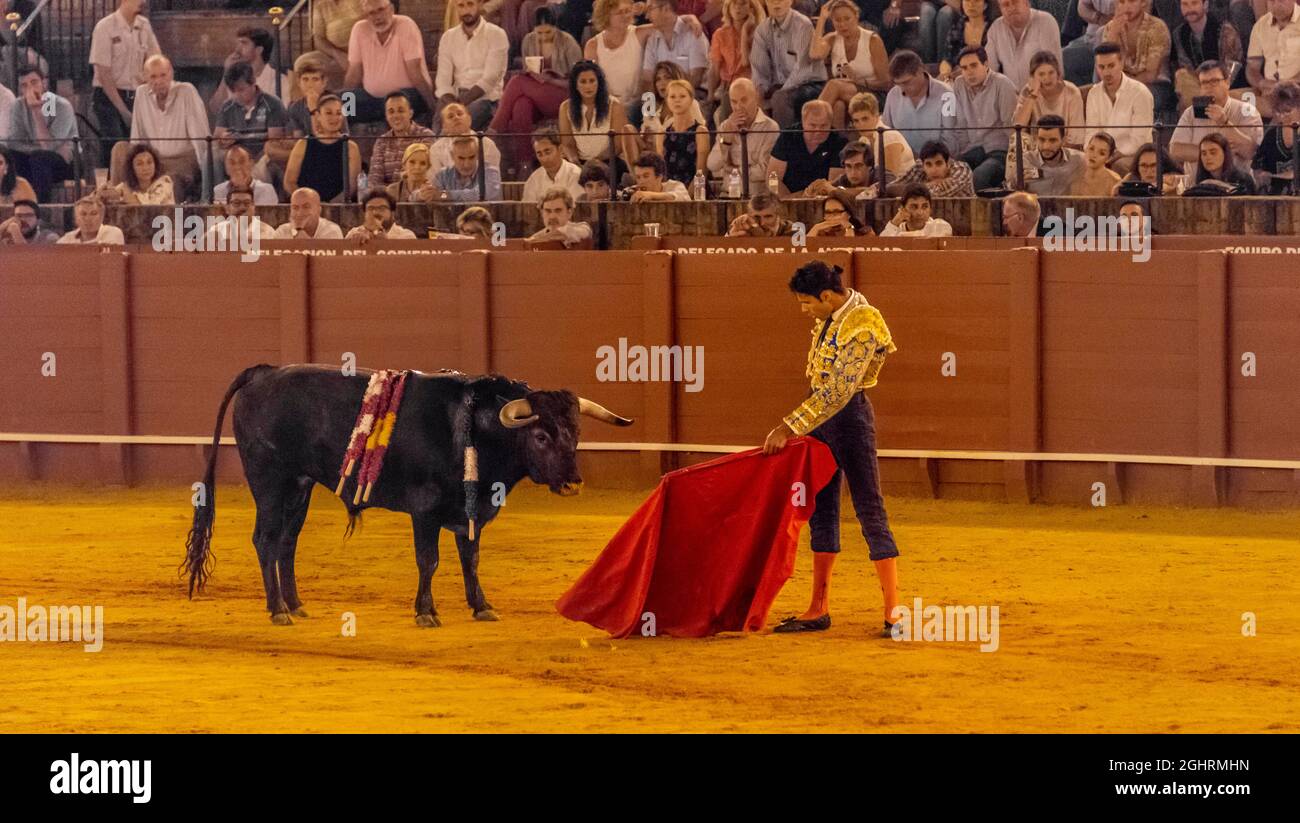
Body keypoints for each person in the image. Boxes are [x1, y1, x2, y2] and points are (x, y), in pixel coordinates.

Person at [762, 259, 900, 636]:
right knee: (821, 512)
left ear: (826, 296)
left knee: (869, 508)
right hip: (820, 420)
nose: (805, 310)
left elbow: (840, 391)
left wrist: (788, 426)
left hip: (850, 419)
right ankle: (817, 608)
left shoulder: (863, 321)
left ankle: (894, 612)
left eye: (807, 303)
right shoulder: (832, 317)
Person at [489, 7, 582, 171]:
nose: (543, 37)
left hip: (562, 95)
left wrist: (552, 79)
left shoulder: (568, 42)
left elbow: (577, 83)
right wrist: (533, 75)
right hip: (537, 93)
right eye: (540, 33)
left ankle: (494, 131)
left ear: (556, 27)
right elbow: (529, 70)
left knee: (517, 81)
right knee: (521, 106)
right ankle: (525, 165)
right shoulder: (529, 41)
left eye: (548, 32)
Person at [89, 0, 160, 166]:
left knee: (138, 147)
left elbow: (155, 59)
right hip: (109, 96)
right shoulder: (105, 27)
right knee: (115, 145)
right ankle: (110, 186)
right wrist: (123, 110)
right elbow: (104, 73)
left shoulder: (144, 26)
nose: (142, 2)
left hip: (137, 93)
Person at [128, 55, 208, 201]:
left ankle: (161, 219)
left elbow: (200, 136)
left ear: (171, 73)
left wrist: (205, 174)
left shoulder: (186, 91)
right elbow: (136, 135)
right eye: (153, 76)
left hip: (182, 160)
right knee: (119, 150)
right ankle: (118, 200)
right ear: (145, 77)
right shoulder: (141, 93)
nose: (158, 81)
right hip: (153, 160)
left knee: (169, 181)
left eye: (163, 75)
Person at [1169, 59, 1265, 177]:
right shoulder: (1191, 112)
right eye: (1204, 83)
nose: (1209, 87)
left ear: (1227, 82)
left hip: (1236, 185)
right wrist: (1218, 152)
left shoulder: (1247, 111)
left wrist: (1224, 122)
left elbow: (1251, 152)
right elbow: (1175, 150)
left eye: (1214, 81)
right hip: (1198, 186)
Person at [345, 0, 436, 123]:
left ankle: (387, 118)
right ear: (365, 16)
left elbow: (415, 71)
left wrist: (432, 106)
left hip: (407, 96)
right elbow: (354, 73)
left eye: (381, 10)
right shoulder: (359, 29)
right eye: (371, 13)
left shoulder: (406, 24)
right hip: (374, 99)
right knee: (344, 104)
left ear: (392, 9)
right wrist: (344, 105)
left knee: (397, 107)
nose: (377, 17)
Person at [813, 0, 891, 131]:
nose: (843, 24)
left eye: (847, 19)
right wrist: (821, 18)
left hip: (875, 95)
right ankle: (838, 145)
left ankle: (810, 127)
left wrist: (858, 80)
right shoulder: (832, 38)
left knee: (834, 84)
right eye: (837, 20)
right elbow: (815, 54)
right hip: (847, 94)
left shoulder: (872, 40)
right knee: (838, 106)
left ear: (856, 16)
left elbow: (885, 83)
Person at [950, 45, 1018, 190]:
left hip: (999, 151)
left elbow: (1011, 126)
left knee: (979, 177)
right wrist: (960, 154)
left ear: (986, 64)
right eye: (964, 68)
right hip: (972, 149)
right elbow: (959, 124)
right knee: (948, 171)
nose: (969, 72)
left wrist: (1016, 161)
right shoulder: (958, 84)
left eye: (973, 66)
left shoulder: (1002, 84)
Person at [6, 65, 78, 202]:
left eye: (34, 82)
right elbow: (14, 142)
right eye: (24, 85)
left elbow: (48, 146)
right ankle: (16, 204)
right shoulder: (18, 105)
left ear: (44, 83)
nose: (30, 89)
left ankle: (42, 209)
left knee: (40, 158)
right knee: (10, 156)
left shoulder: (59, 105)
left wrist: (36, 111)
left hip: (63, 163)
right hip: (32, 158)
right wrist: (33, 150)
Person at [750, 0, 828, 126]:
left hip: (809, 83)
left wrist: (778, 92)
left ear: (790, 1)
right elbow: (759, 69)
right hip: (779, 85)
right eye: (771, 1)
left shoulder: (803, 24)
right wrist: (759, 93)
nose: (776, 4)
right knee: (748, 97)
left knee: (780, 99)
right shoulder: (762, 30)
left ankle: (783, 142)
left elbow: (802, 70)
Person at [437, 0, 510, 131]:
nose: (466, 11)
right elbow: (443, 80)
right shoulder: (448, 37)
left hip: (486, 99)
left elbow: (489, 79)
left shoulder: (496, 34)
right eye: (461, 5)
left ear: (480, 5)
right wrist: (452, 103)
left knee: (457, 127)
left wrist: (459, 105)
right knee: (437, 127)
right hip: (455, 97)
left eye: (470, 4)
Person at [213, 62, 292, 183]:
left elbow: (275, 140)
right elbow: (217, 137)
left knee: (266, 163)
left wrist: (248, 159)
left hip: (262, 153)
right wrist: (223, 140)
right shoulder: (227, 106)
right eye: (233, 91)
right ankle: (213, 196)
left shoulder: (272, 104)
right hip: (235, 152)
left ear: (253, 82)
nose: (236, 95)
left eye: (241, 90)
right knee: (212, 155)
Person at [1085, 42, 1155, 173]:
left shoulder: (1140, 93)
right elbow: (1091, 132)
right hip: (1102, 154)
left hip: (1133, 155)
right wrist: (1096, 154)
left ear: (1121, 63)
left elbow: (1140, 139)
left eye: (1111, 66)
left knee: (1119, 165)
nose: (1106, 72)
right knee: (1078, 163)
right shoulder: (1093, 93)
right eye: (1101, 67)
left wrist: (1112, 155)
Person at [557, 61, 636, 176]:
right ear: (575, 85)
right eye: (583, 82)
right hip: (578, 164)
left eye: (592, 81)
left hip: (609, 162)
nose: (588, 86)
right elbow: (567, 144)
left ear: (599, 83)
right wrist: (576, 164)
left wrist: (596, 164)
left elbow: (617, 146)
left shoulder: (614, 105)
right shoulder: (565, 107)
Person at [284, 94, 362, 203]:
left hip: (339, 207)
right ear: (318, 115)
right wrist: (308, 202)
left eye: (338, 113)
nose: (334, 118)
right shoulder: (303, 144)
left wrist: (331, 205)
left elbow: (352, 186)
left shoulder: (351, 147)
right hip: (306, 206)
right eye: (329, 113)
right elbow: (289, 182)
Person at [1100, 0, 1174, 114]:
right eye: (1122, 2)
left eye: (1132, 1)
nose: (1126, 7)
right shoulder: (1111, 28)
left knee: (1132, 99)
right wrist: (1113, 37)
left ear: (1143, 2)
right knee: (1093, 95)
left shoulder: (1157, 27)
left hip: (1156, 85)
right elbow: (1104, 68)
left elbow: (1150, 75)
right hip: (1118, 84)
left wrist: (1122, 88)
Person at [1171, 0, 1244, 113]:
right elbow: (1186, 67)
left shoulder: (1225, 30)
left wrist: (1212, 82)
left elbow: (1233, 68)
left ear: (1205, 5)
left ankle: (1205, 109)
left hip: (1224, 83)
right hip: (1198, 84)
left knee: (1186, 102)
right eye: (1185, 4)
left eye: (1194, 3)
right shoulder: (1179, 34)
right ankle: (1206, 108)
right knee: (1181, 75)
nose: (1189, 9)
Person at [707, 77, 780, 188]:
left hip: (757, 198)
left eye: (744, 100)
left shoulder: (770, 127)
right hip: (728, 195)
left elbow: (764, 170)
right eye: (734, 102)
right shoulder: (726, 126)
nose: (738, 107)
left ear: (755, 97)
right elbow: (712, 165)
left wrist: (732, 171)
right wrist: (726, 139)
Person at [880, 50, 957, 155]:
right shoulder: (893, 94)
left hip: (936, 163)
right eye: (898, 84)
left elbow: (950, 138)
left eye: (906, 82)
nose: (902, 89)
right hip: (902, 161)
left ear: (920, 71)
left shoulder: (946, 94)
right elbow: (887, 134)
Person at [768, 99, 848, 195]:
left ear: (830, 124)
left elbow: (833, 185)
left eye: (823, 126)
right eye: (813, 125)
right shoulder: (788, 137)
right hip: (788, 198)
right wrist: (787, 201)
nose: (818, 131)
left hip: (822, 199)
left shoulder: (838, 142)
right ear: (803, 122)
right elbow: (772, 177)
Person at [1010, 50, 1086, 149]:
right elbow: (1018, 128)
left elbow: (1076, 138)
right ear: (1033, 77)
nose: (1047, 78)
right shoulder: (1027, 92)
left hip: (1066, 149)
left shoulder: (1072, 92)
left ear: (1058, 73)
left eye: (1051, 73)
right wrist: (1033, 95)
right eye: (1041, 74)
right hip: (1037, 150)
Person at [209, 27, 291, 115]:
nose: (238, 49)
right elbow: (216, 109)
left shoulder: (280, 80)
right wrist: (226, 73)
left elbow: (283, 116)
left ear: (259, 50)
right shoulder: (234, 77)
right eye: (238, 44)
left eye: (244, 43)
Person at [640, 0, 710, 100]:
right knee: (633, 110)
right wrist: (650, 112)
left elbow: (696, 78)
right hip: (663, 97)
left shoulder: (692, 33)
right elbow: (648, 80)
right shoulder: (653, 39)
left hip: (694, 95)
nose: (646, 16)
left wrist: (672, 100)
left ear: (666, 8)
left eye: (650, 9)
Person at [707, 0, 765, 122]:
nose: (738, 8)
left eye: (743, 4)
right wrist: (710, 95)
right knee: (711, 108)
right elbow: (715, 69)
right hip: (727, 85)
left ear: (751, 8)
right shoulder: (720, 34)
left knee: (729, 100)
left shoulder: (759, 33)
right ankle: (720, 139)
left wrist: (744, 32)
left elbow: (745, 62)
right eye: (734, 4)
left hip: (750, 84)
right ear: (728, 7)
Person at [985, 0, 1062, 88]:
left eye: (1015, 2)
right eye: (1006, 5)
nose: (1011, 8)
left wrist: (1031, 97)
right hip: (1011, 96)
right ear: (1000, 9)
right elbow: (989, 72)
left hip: (1043, 94)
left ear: (1027, 3)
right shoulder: (996, 29)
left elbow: (1054, 71)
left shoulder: (1045, 21)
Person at [368, 91, 436, 190]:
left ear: (410, 113)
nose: (396, 116)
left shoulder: (426, 136)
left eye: (400, 111)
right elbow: (374, 180)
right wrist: (392, 194)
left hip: (417, 195)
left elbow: (423, 175)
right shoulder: (381, 141)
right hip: (388, 198)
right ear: (386, 116)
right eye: (391, 112)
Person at [586, 0, 646, 108]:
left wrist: (645, 8)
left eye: (627, 11)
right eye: (619, 12)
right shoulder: (592, 46)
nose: (625, 15)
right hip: (608, 107)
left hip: (639, 106)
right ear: (605, 15)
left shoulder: (639, 34)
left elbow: (667, 23)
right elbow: (591, 83)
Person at [1245, 0, 1300, 120]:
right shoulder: (1261, 25)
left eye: (1281, 0)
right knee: (1230, 99)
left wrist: (1288, 83)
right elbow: (1252, 68)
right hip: (1269, 92)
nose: (1276, 5)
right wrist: (1261, 83)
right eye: (1272, 1)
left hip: (1296, 90)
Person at [653, 78, 711, 186]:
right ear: (667, 100)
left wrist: (687, 197)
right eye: (672, 97)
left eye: (682, 96)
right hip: (670, 192)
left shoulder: (700, 132)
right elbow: (662, 172)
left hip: (695, 190)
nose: (677, 100)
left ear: (691, 99)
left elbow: (701, 172)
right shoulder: (662, 134)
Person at [1007, 114, 1084, 193]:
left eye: (1052, 140)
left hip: (1067, 205)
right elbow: (1009, 190)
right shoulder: (1026, 161)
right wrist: (1016, 183)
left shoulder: (1078, 160)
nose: (1046, 146)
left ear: (1063, 140)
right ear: (1036, 138)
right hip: (1037, 205)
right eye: (1042, 140)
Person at [848, 91, 914, 179]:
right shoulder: (863, 141)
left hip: (903, 189)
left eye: (865, 119)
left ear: (876, 116)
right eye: (856, 121)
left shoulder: (889, 136)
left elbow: (888, 180)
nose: (861, 125)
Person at [430, 102, 505, 176]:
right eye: (450, 116)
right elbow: (436, 181)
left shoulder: (487, 144)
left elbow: (490, 176)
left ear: (469, 119)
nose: (456, 118)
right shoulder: (436, 149)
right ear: (444, 127)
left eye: (459, 114)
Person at [1252, 80, 1300, 192]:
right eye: (1278, 112)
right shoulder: (1271, 136)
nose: (1282, 116)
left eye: (1287, 111)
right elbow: (1257, 166)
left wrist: (1275, 177)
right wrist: (1261, 175)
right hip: (1275, 198)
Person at [889, 139, 976, 197]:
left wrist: (914, 187)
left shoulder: (962, 169)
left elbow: (934, 194)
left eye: (939, 164)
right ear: (923, 165)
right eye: (929, 165)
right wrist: (929, 185)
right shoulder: (918, 167)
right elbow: (891, 188)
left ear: (948, 163)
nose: (934, 170)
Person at [522, 128, 585, 201]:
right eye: (540, 154)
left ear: (560, 149)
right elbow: (527, 210)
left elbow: (576, 208)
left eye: (548, 152)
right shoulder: (533, 180)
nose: (544, 159)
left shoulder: (575, 175)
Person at [101, 143, 174, 205]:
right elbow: (112, 194)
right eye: (139, 164)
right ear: (132, 168)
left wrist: (125, 192)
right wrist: (102, 195)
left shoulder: (165, 182)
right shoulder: (127, 186)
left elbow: (148, 210)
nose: (145, 168)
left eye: (149, 162)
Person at [433, 135, 504, 200]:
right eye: (461, 158)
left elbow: (481, 194)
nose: (467, 164)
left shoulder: (490, 172)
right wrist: (424, 194)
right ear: (452, 156)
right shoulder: (442, 175)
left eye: (471, 157)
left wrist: (448, 195)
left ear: (478, 155)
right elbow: (436, 195)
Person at [312, 0, 366, 83]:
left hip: (364, 50)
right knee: (303, 62)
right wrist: (337, 54)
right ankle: (313, 95)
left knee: (353, 74)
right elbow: (318, 39)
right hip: (336, 53)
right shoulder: (320, 4)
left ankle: (349, 92)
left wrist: (354, 57)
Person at [939, 0, 994, 81]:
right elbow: (947, 59)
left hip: (986, 77)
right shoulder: (958, 27)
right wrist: (945, 73)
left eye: (976, 1)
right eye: (967, 0)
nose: (971, 4)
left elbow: (992, 63)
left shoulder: (993, 28)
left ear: (985, 5)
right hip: (957, 79)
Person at [206, 185, 276, 246]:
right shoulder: (217, 230)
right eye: (236, 203)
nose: (242, 207)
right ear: (227, 208)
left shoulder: (267, 232)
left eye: (247, 203)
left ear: (254, 207)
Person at [528, 186, 594, 246]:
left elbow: (580, 232)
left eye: (558, 210)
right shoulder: (535, 238)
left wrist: (539, 239)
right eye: (548, 211)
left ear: (569, 213)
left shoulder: (583, 229)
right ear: (542, 213)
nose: (552, 216)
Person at [808, 141, 878, 197]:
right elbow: (829, 187)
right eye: (848, 166)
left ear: (869, 166)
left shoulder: (882, 176)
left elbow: (871, 192)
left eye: (858, 166)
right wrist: (818, 188)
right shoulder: (843, 180)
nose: (853, 172)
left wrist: (835, 191)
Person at [1193, 131, 1259, 189]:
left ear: (1225, 153)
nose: (1208, 157)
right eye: (1204, 153)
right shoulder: (1201, 182)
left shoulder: (1243, 180)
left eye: (1213, 152)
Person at [213, 146, 279, 205]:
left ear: (251, 164)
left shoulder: (266, 190)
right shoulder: (219, 190)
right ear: (226, 167)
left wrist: (242, 188)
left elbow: (261, 217)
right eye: (232, 163)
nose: (237, 167)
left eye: (242, 161)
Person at [880, 183, 954, 235]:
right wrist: (894, 223)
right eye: (914, 207)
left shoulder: (940, 226)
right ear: (903, 208)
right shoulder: (894, 231)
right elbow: (881, 247)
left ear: (930, 209)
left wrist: (902, 236)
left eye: (925, 207)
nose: (920, 212)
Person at [347, 188, 418, 240]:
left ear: (392, 213)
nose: (375, 212)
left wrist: (384, 243)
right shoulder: (354, 233)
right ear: (364, 213)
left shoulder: (406, 236)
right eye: (371, 208)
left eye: (382, 208)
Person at [274, 187, 345, 239]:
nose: (300, 213)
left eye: (306, 207)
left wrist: (300, 232)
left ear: (319, 210)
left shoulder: (331, 230)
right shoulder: (282, 232)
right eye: (295, 208)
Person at [1116, 141, 1182, 193]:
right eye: (1144, 166)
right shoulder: (1131, 177)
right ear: (1137, 167)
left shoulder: (1175, 179)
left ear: (1163, 165)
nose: (1149, 171)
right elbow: (1115, 191)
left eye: (1153, 165)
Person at [58, 196, 125, 244]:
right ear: (76, 218)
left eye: (93, 214)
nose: (88, 218)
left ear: (102, 216)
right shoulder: (66, 240)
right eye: (83, 214)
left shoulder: (113, 233)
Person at [726, 190, 795, 234]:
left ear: (778, 214)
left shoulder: (792, 231)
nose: (762, 223)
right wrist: (731, 239)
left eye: (768, 216)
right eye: (756, 217)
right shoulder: (743, 227)